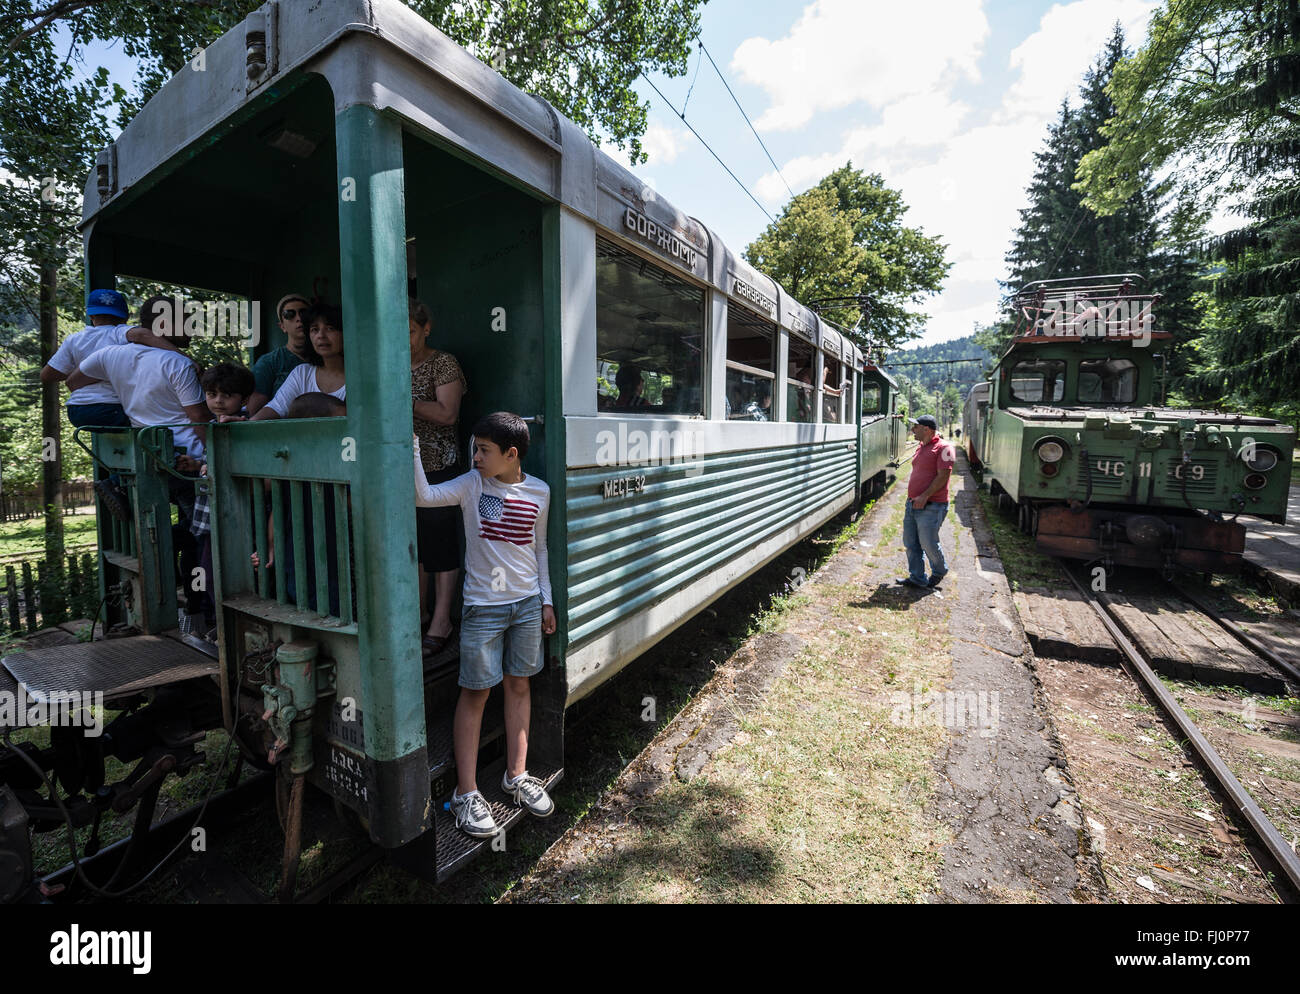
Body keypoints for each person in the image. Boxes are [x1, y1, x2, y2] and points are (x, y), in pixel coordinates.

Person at [412, 412, 556, 839]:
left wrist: (545, 601)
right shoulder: (471, 485)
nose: (475, 457)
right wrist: (413, 445)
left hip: (527, 605)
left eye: (484, 451)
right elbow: (423, 495)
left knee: (519, 685)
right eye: (475, 448)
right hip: (484, 608)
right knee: (475, 693)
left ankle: (517, 775)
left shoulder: (540, 490)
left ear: (511, 455)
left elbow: (539, 548)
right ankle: (466, 793)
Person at [409, 297, 468, 655]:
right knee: (414, 546)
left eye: (411, 331)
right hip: (401, 468)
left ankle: (442, 620)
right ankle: (418, 613)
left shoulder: (443, 364)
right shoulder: (391, 362)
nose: (404, 339)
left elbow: (448, 414)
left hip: (439, 467)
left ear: (425, 328)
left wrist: (404, 400)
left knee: (441, 546)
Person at [41, 289, 183, 429]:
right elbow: (142, 335)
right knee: (158, 424)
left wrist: (81, 373)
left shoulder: (74, 339)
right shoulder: (121, 332)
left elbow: (47, 375)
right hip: (113, 407)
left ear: (90, 315)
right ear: (125, 317)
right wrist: (185, 359)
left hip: (78, 411)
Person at [188, 362, 256, 635]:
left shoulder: (244, 426)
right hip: (210, 518)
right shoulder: (212, 427)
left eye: (226, 395)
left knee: (234, 574)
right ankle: (221, 627)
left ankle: (235, 630)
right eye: (212, 394)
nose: (218, 401)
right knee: (209, 572)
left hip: (237, 518)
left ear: (244, 399)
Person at [248, 303, 345, 420]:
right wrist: (245, 423)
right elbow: (276, 407)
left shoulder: (359, 375)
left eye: (330, 328)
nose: (321, 335)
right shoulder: (302, 373)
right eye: (314, 329)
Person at [897, 414, 955, 590]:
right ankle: (917, 578)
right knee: (911, 542)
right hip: (913, 503)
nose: (913, 430)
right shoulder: (921, 446)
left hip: (932, 505)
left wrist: (925, 496)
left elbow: (943, 476)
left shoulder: (944, 448)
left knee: (928, 542)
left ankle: (939, 571)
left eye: (916, 427)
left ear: (927, 429)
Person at [246, 293, 315, 415]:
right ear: (282, 326)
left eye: (304, 313)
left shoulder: (327, 357)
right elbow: (254, 411)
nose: (298, 318)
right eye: (290, 314)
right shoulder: (269, 362)